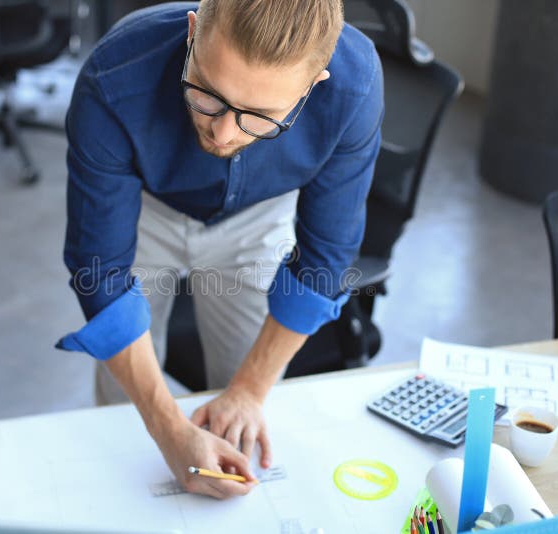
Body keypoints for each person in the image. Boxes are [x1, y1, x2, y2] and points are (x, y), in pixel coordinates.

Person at [57, 0, 383, 499]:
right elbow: (102, 276)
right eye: (208, 94)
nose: (224, 132)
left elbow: (325, 259)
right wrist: (168, 428)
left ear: (314, 84)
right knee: (125, 411)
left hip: (260, 215)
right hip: (145, 207)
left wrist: (249, 391)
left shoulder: (353, 86)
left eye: (261, 117)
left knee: (244, 403)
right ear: (193, 34)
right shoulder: (114, 76)